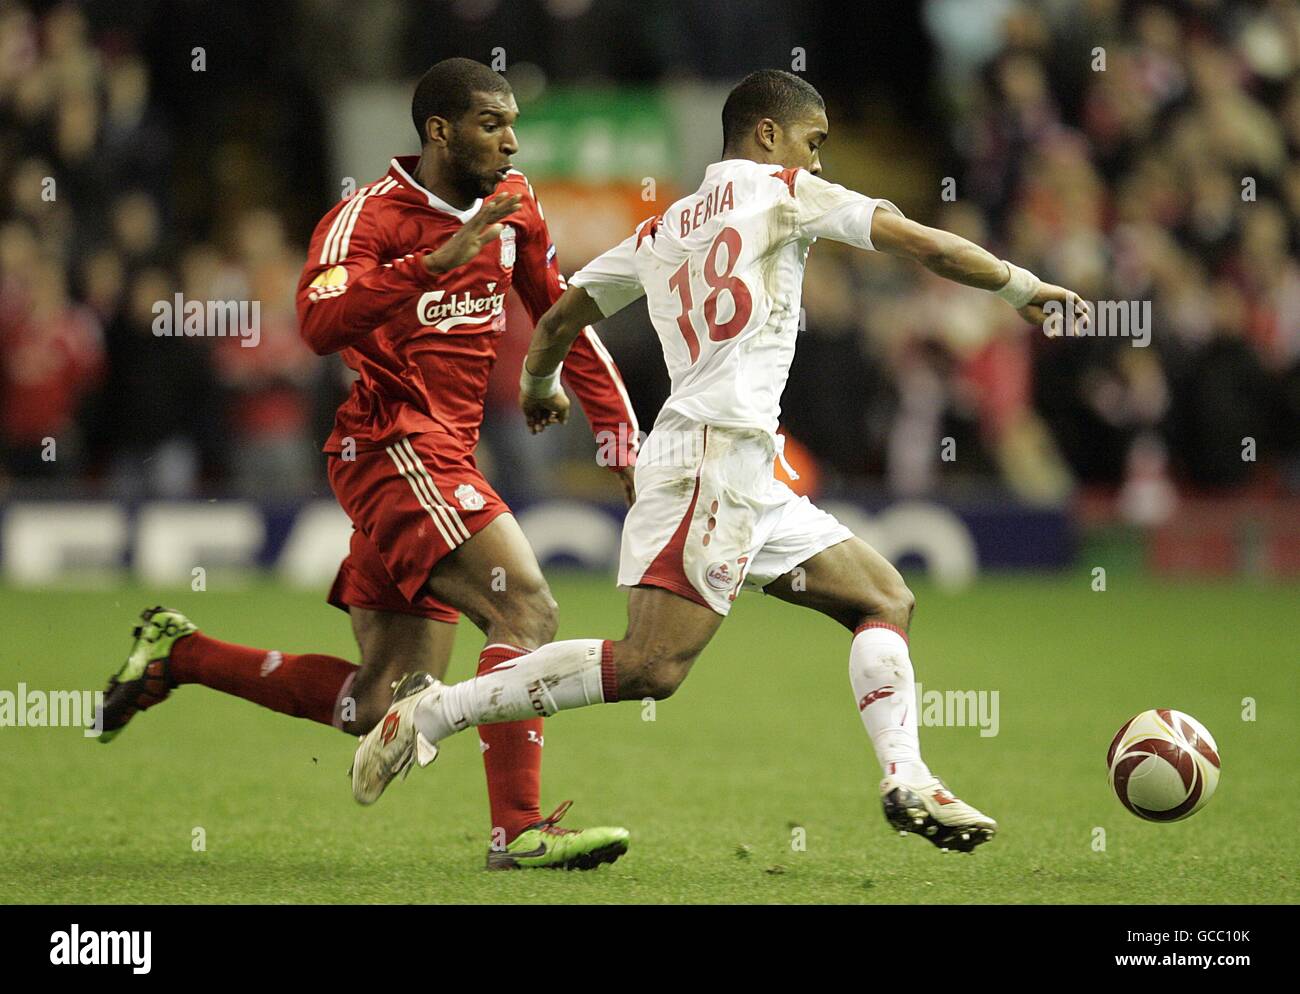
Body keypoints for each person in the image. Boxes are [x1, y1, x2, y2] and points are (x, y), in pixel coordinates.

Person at [351, 69, 1090, 853]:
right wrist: (1022, 287)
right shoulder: (784, 191)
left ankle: (907, 777)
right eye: (815, 143)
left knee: (883, 597)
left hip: (741, 465)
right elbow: (920, 241)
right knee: (650, 667)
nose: (820, 163)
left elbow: (562, 313)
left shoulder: (664, 227)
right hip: (709, 456)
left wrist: (539, 385)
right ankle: (431, 711)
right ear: (769, 136)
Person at [97, 58, 639, 871]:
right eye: (493, 123)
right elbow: (316, 321)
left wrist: (613, 432)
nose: (512, 140)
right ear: (439, 131)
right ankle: (518, 831)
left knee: (373, 700)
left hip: (444, 455)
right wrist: (429, 265)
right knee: (525, 608)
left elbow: (559, 311)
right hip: (393, 447)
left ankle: (181, 655)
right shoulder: (370, 217)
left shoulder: (514, 206)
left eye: (513, 123)